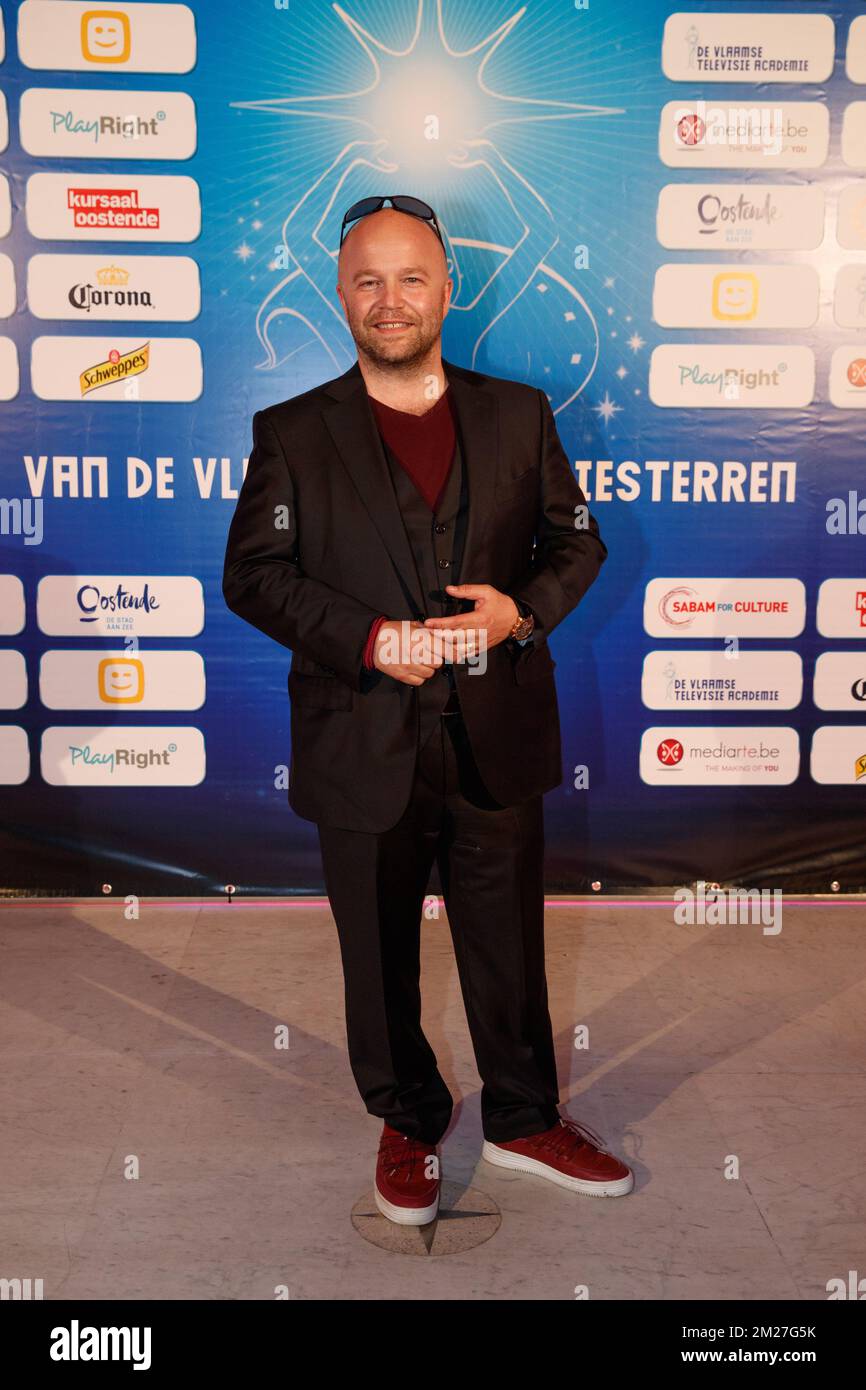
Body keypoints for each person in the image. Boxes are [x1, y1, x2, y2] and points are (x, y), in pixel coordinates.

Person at [222, 194, 633, 1226]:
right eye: (368, 278)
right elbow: (254, 576)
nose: (389, 299)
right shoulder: (292, 432)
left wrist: (519, 613)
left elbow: (575, 543)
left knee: (506, 940)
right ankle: (408, 1117)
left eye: (411, 277)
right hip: (360, 735)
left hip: (494, 733)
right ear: (341, 293)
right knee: (377, 950)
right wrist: (368, 639)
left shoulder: (518, 413)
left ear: (449, 287)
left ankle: (523, 1115)